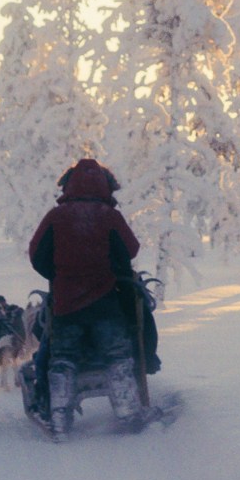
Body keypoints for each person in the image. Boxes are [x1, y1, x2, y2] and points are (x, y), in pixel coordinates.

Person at [28, 157, 159, 375]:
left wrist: (58, 276)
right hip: (106, 304)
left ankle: (53, 397)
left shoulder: (55, 216)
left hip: (65, 306)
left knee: (60, 359)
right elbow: (131, 249)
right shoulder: (110, 216)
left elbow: (37, 255)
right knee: (119, 356)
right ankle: (133, 384)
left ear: (68, 185)